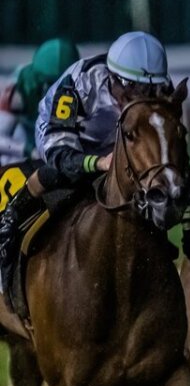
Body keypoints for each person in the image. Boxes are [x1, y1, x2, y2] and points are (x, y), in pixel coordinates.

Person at [0, 31, 174, 315]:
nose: (140, 99)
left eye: (148, 90)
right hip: (63, 133)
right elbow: (60, 154)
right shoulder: (80, 84)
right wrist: (98, 163)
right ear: (113, 78)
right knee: (65, 175)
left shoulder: (158, 88)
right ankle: (14, 215)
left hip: (116, 140)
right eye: (132, 90)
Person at [0, 37, 79, 162]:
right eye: (51, 83)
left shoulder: (79, 87)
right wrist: (28, 150)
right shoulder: (18, 90)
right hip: (22, 152)